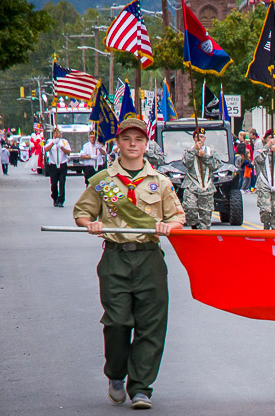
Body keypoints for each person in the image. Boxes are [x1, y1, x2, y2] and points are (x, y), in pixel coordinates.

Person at [72, 117, 185, 410]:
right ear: (118, 143)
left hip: (149, 258)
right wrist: (91, 224)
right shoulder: (103, 181)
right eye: (127, 139)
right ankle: (116, 374)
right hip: (116, 257)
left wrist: (167, 226)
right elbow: (82, 212)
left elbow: (177, 216)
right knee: (118, 321)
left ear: (146, 144)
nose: (132, 145)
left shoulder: (160, 182)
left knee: (151, 325)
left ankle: (141, 388)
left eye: (138, 140)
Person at [182, 129, 222, 230]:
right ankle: (194, 225)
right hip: (192, 185)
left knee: (206, 216)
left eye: (202, 136)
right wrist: (194, 151)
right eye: (197, 137)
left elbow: (216, 165)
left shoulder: (211, 152)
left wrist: (204, 156)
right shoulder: (189, 150)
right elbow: (186, 163)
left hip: (206, 187)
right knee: (189, 208)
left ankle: (203, 236)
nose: (199, 139)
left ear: (205, 138)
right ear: (193, 138)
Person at [44, 128, 70, 207]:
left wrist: (61, 147)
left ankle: (61, 200)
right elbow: (46, 149)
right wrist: (53, 144)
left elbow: (68, 152)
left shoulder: (64, 142)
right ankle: (55, 198)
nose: (57, 135)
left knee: (62, 183)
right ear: (53, 134)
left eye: (58, 133)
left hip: (62, 164)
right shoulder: (50, 141)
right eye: (55, 133)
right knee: (54, 184)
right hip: (53, 165)